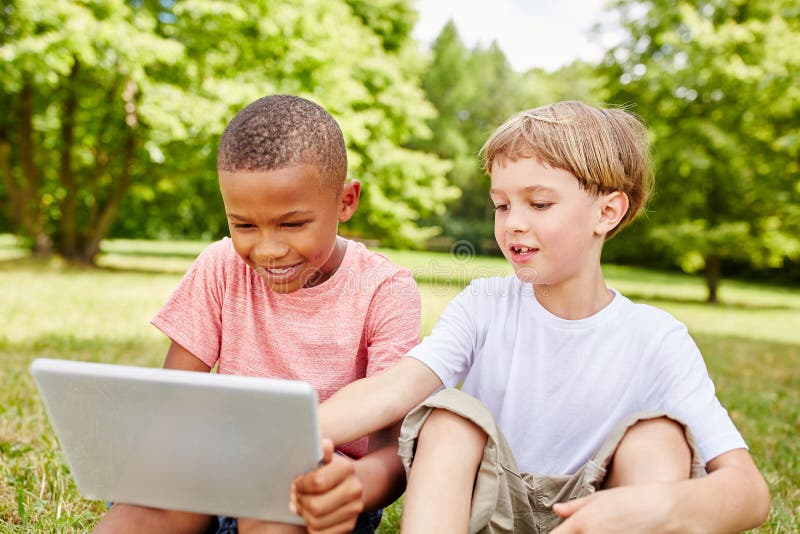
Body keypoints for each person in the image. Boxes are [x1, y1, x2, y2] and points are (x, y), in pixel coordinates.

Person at [294, 101, 771, 533]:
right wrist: (290, 436)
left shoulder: (657, 338)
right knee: (449, 420)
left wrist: (656, 505)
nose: (513, 222)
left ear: (607, 212)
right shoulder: (484, 305)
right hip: (490, 507)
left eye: (539, 203)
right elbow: (392, 389)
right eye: (502, 205)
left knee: (660, 438)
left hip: (599, 513)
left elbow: (749, 494)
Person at [93, 94, 421, 534]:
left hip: (316, 488)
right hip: (214, 471)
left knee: (271, 518)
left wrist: (352, 485)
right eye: (244, 225)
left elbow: (392, 453)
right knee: (139, 515)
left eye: (292, 224)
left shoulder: (386, 289)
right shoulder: (219, 265)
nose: (267, 249)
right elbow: (175, 401)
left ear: (346, 201)